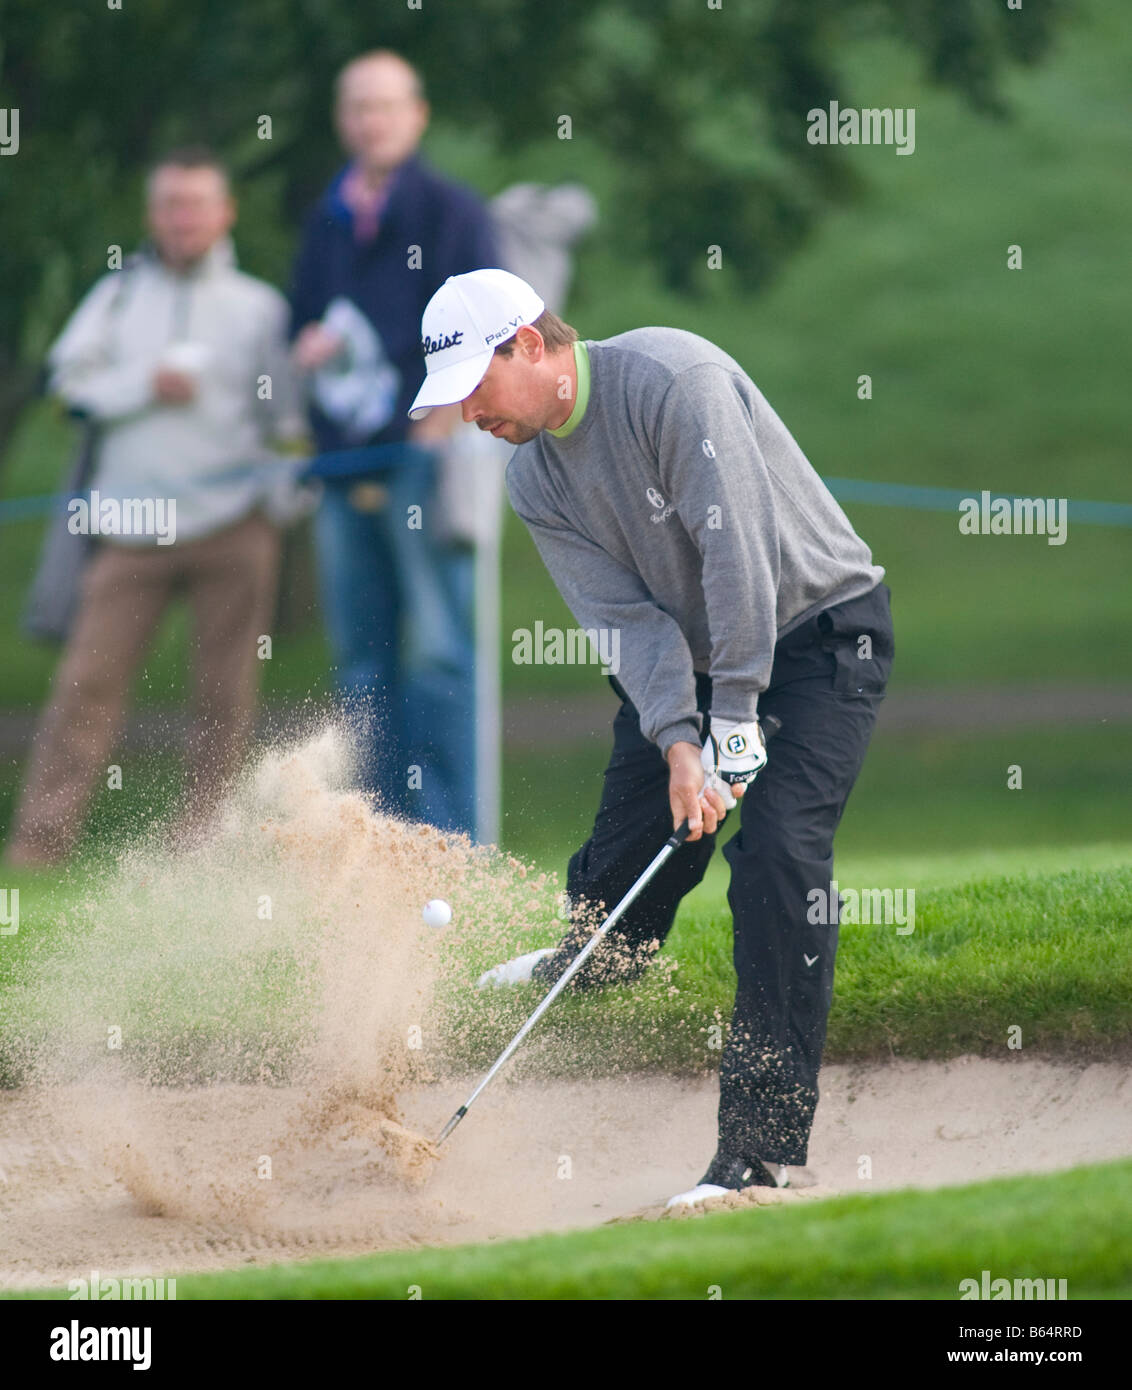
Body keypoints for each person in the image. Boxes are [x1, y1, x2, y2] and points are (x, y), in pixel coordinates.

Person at [407, 268, 895, 1207]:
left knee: (777, 861)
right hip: (700, 654)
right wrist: (680, 740)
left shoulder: (675, 381)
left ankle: (757, 1156)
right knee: (635, 852)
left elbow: (739, 553)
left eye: (474, 386)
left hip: (820, 636)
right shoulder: (535, 478)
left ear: (531, 345)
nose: (467, 413)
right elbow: (627, 622)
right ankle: (595, 956)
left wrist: (738, 720)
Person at [5, 148, 306, 867]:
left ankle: (201, 848)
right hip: (129, 533)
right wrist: (144, 383)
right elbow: (65, 393)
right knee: (85, 687)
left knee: (224, 700)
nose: (184, 219)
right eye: (171, 204)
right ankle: (38, 846)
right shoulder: (114, 297)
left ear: (224, 213)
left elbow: (290, 425)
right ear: (153, 214)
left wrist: (280, 504)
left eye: (198, 204)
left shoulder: (259, 308)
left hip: (235, 527)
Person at [289, 49, 498, 836]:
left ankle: (451, 838)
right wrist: (305, 347)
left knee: (439, 653)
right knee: (364, 663)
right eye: (357, 107)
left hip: (423, 462)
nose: (371, 121)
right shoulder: (326, 217)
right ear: (343, 120)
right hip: (342, 466)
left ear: (418, 114)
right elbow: (299, 318)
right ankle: (377, 836)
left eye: (385, 105)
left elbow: (490, 330)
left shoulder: (452, 210)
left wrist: (434, 428)